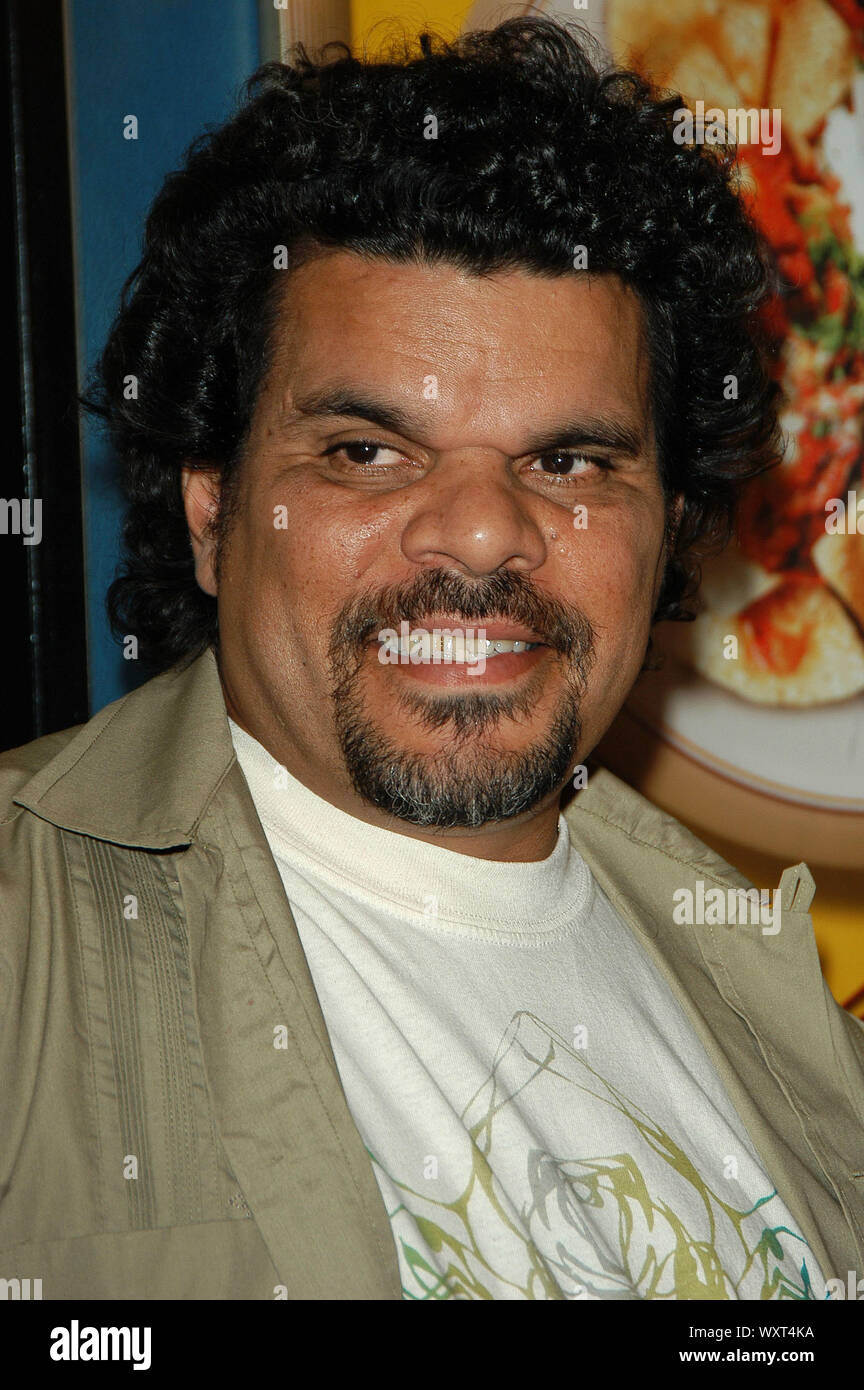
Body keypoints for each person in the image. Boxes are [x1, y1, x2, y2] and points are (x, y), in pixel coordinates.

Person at [1, 17, 862, 1302]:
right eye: (366, 451)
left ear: (669, 526)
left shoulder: (778, 991)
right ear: (212, 509)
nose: (481, 527)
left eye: (568, 461)